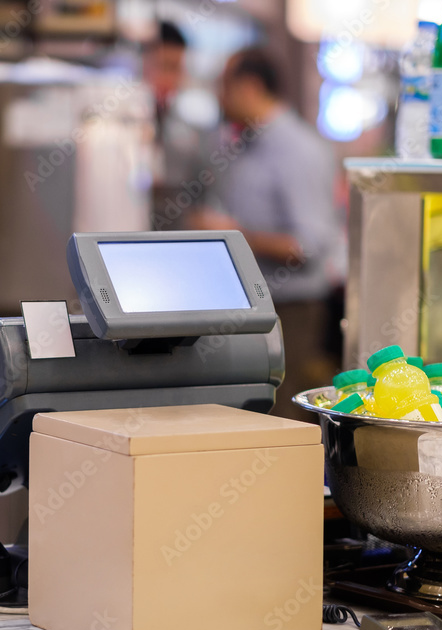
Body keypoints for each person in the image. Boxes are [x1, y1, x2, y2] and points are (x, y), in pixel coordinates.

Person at [191, 47, 346, 420]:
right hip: (251, 309)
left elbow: (307, 246)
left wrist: (233, 234)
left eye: (223, 86)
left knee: (278, 421)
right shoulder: (244, 144)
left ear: (249, 87)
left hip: (288, 313)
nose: (218, 97)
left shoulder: (297, 151)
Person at [142, 21, 214, 230]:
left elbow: (200, 200)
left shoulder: (188, 133)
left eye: (177, 69)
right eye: (164, 66)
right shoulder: (111, 127)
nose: (171, 79)